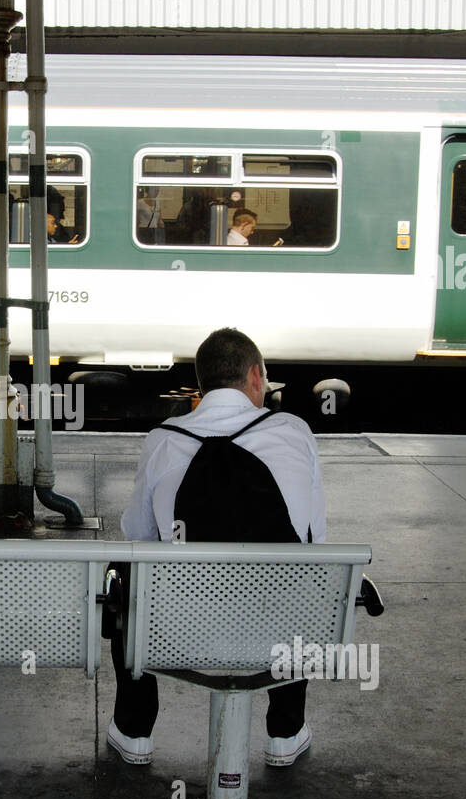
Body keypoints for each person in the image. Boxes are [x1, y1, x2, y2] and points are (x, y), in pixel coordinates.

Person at [110, 327, 326, 768]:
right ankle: (285, 730)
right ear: (254, 376)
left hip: (180, 631)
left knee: (124, 578)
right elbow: (314, 538)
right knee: (306, 574)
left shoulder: (163, 439)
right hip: (276, 633)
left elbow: (137, 536)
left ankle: (134, 729)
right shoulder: (294, 431)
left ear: (202, 384)